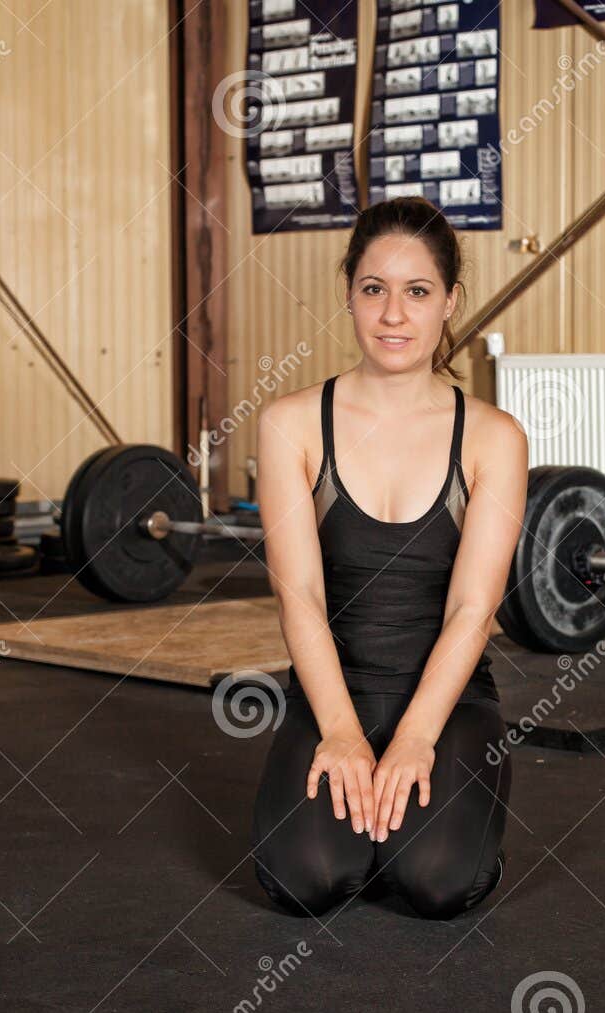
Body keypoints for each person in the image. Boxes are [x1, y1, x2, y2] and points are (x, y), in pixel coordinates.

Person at [249, 197, 528, 920]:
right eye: (374, 289)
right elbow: (300, 597)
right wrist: (341, 732)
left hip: (449, 702)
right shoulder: (289, 426)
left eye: (417, 291)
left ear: (449, 301)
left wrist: (413, 741)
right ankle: (371, 818)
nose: (393, 315)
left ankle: (417, 823)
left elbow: (474, 611)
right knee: (303, 880)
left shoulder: (493, 437)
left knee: (437, 882)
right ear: (349, 293)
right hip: (331, 691)